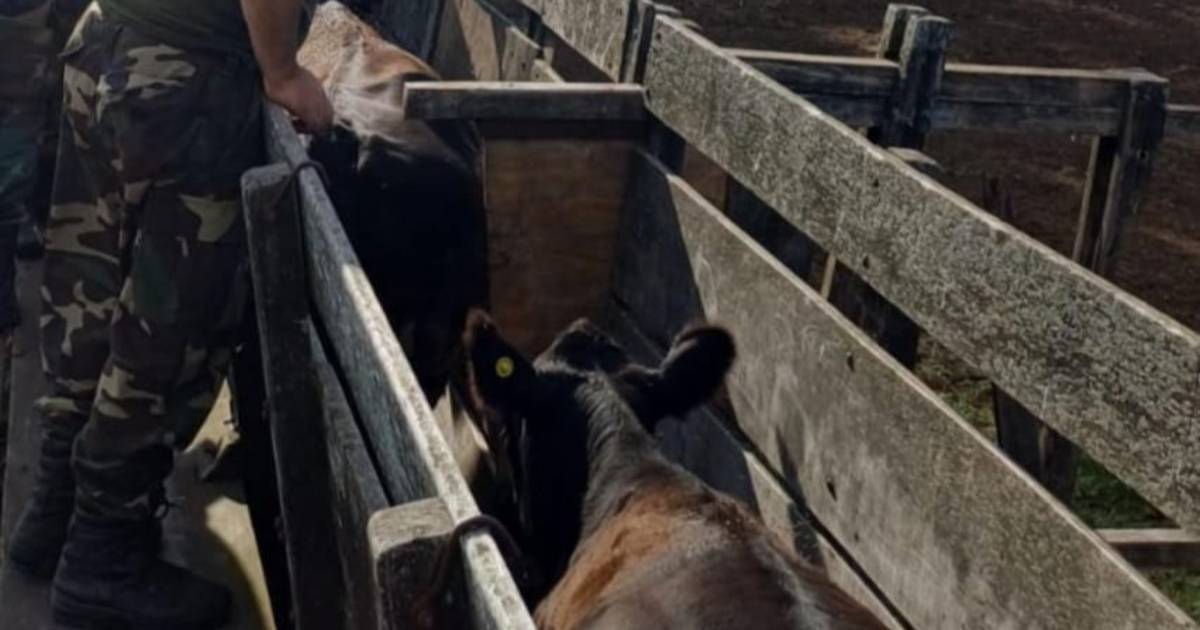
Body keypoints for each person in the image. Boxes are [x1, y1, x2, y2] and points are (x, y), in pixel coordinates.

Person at [5, 0, 333, 627]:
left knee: (89, 287)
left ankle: (55, 506)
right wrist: (284, 72)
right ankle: (103, 555)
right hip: (184, 81)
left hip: (103, 40)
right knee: (169, 327)